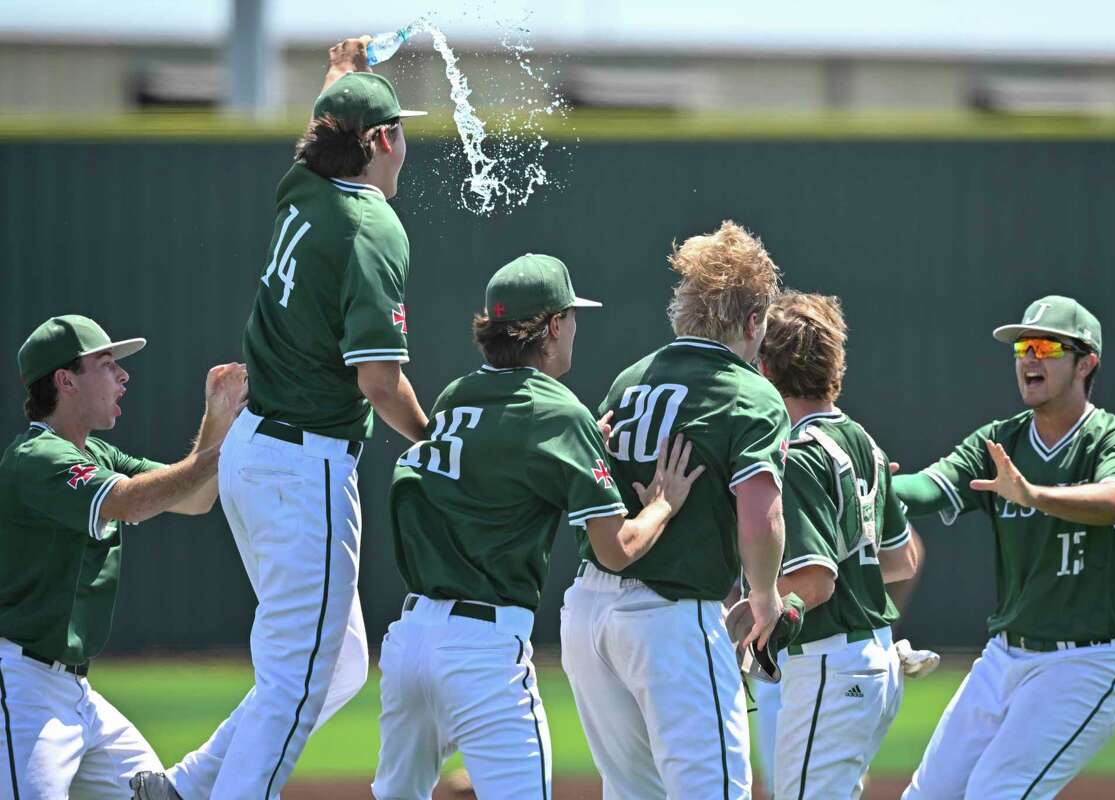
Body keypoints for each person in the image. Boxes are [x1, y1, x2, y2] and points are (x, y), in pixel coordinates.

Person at [133, 37, 429, 800]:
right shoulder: (372, 226)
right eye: (396, 131)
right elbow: (378, 380)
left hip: (254, 454)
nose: (404, 144)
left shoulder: (303, 182)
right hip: (304, 467)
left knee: (332, 668)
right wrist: (435, 438)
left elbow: (323, 125)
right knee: (299, 684)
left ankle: (189, 785)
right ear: (378, 142)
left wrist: (344, 69)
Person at [373, 253, 705, 799]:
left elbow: (505, 462)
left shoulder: (456, 396)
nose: (575, 327)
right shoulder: (558, 414)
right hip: (482, 650)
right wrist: (664, 504)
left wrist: (574, 445)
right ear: (552, 326)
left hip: (409, 644)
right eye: (571, 316)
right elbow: (617, 550)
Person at [560, 221, 791, 799]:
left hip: (588, 611)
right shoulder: (749, 391)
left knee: (633, 793)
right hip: (669, 618)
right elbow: (760, 508)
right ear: (752, 320)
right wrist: (763, 596)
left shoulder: (631, 380)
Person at [896, 295, 1115, 799]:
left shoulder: (1114, 438)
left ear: (1086, 363)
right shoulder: (1000, 442)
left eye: (1045, 346)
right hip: (1005, 656)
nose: (1029, 357)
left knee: (998, 791)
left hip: (1088, 660)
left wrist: (1032, 495)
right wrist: (871, 486)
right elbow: (930, 486)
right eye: (1021, 347)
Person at [0, 314, 245, 799]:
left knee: (158, 793)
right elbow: (132, 500)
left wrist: (218, 416)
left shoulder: (97, 454)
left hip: (77, 693)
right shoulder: (36, 457)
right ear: (66, 380)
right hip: (21, 687)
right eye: (108, 365)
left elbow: (195, 499)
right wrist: (213, 455)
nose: (124, 376)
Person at [755, 292, 921, 799]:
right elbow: (901, 559)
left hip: (831, 667)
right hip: (872, 661)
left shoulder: (798, 454)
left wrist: (759, 615)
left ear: (764, 368)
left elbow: (816, 582)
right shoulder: (865, 442)